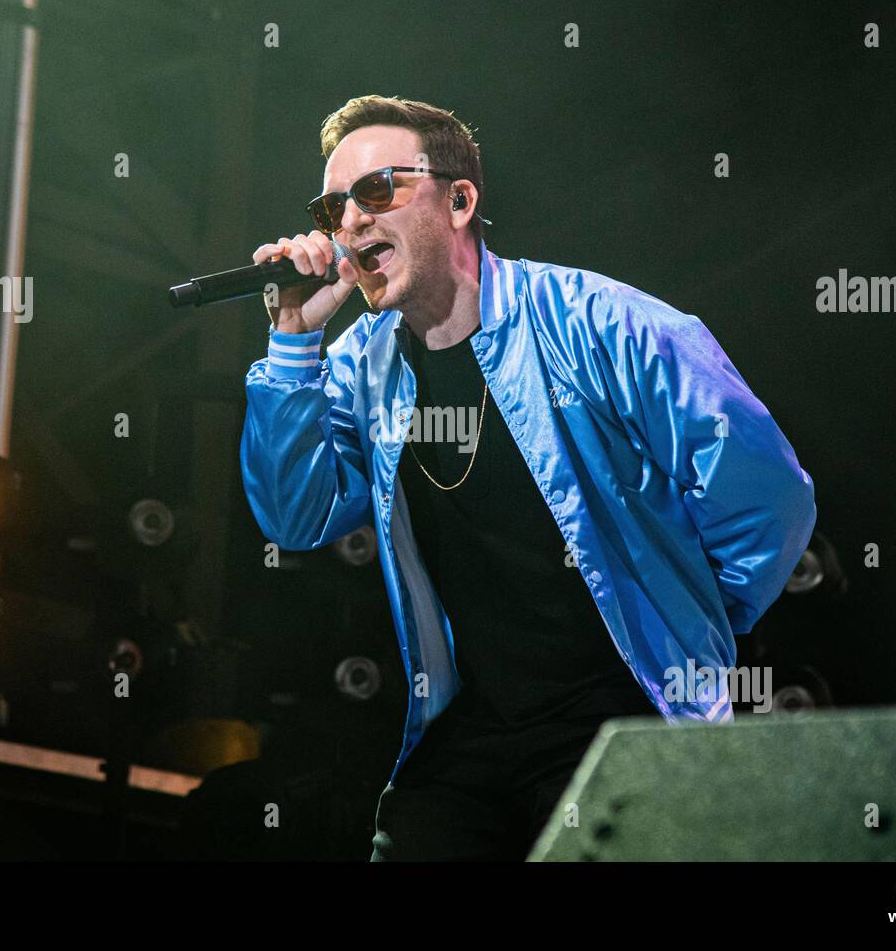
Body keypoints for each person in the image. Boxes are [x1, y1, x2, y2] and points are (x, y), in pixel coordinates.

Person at [239, 94, 817, 860]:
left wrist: (694, 618)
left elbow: (767, 492)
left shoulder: (603, 324)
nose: (350, 221)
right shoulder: (357, 369)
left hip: (619, 718)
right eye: (334, 205)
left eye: (377, 191)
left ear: (459, 200)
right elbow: (295, 516)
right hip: (466, 737)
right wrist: (291, 344)